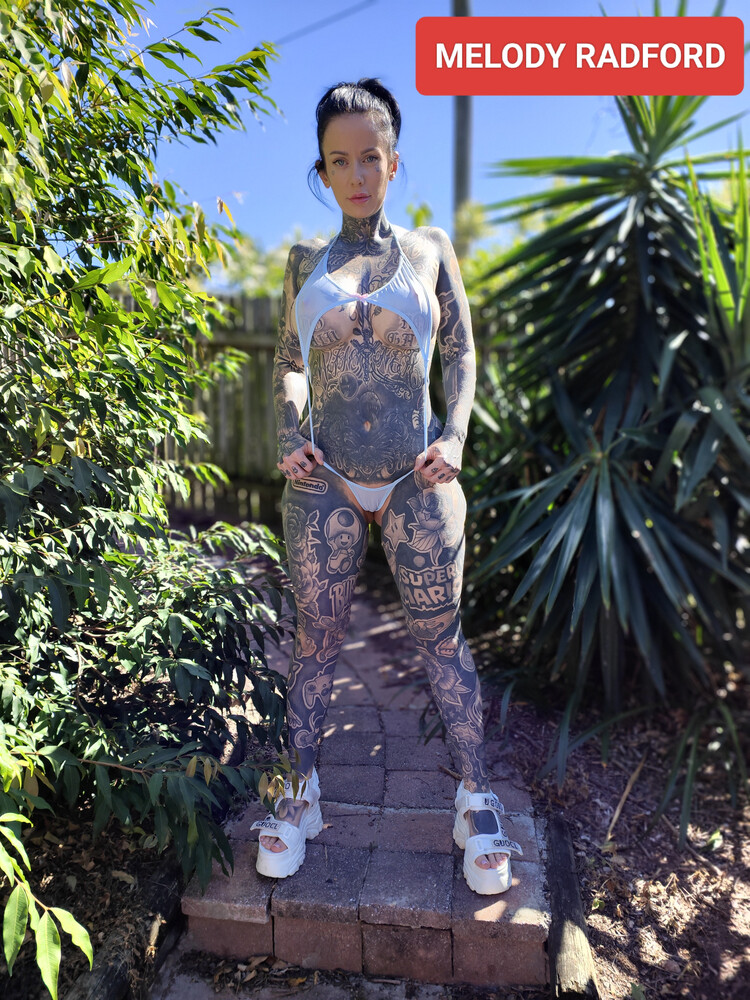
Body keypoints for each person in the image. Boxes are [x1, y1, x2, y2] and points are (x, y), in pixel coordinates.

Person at [252, 79, 522, 895]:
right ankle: (302, 794)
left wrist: (456, 435)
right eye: (339, 161)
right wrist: (288, 434)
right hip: (325, 481)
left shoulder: (430, 248)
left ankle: (475, 799)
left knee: (443, 639)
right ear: (324, 171)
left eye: (370, 156)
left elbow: (461, 353)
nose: (357, 174)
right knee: (314, 641)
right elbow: (288, 364)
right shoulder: (303, 263)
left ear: (393, 161)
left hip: (417, 477)